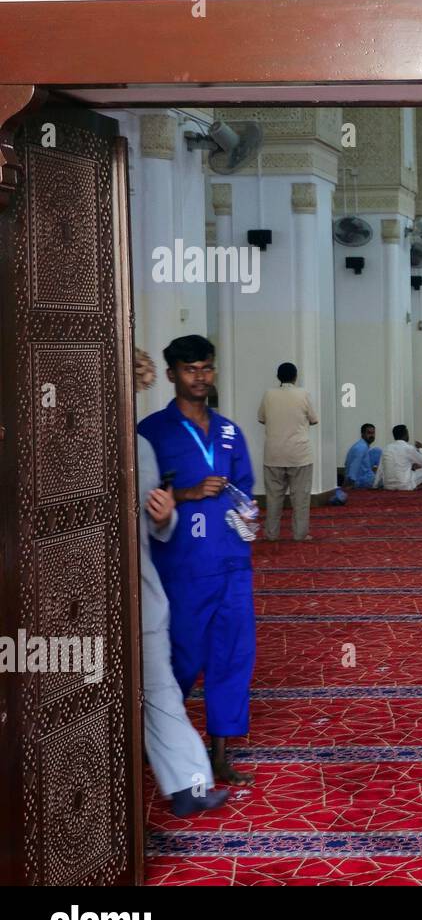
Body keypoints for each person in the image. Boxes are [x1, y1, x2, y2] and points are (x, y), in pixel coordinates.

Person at [138, 334, 256, 786]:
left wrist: (248, 511)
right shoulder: (152, 432)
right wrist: (186, 493)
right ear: (171, 375)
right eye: (190, 369)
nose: (200, 377)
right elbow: (142, 496)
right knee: (179, 659)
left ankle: (220, 754)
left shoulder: (229, 431)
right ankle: (161, 740)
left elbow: (243, 484)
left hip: (232, 562)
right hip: (182, 565)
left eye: (206, 368)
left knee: (233, 656)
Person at [134, 349, 229, 817]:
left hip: (141, 594)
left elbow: (159, 526)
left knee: (162, 691)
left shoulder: (138, 448)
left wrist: (167, 515)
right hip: (73, 603)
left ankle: (190, 787)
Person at [257, 361, 319, 542]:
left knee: (273, 498)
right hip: (300, 455)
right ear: (295, 377)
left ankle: (271, 534)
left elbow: (261, 418)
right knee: (300, 499)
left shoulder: (268, 394)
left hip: (273, 454)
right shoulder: (303, 394)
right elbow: (314, 420)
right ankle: (300, 534)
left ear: (278, 377)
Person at [379, 424, 422, 490]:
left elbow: (380, 469)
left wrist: (375, 486)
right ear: (405, 434)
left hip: (388, 486)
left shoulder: (386, 448)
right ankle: (412, 485)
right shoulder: (408, 447)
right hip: (404, 485)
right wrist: (421, 449)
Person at [344, 423, 382, 489]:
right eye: (369, 433)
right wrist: (350, 484)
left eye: (373, 433)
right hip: (359, 481)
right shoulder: (361, 447)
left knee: (377, 451)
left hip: (363, 477)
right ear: (362, 434)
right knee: (387, 481)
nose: (372, 435)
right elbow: (354, 466)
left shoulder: (364, 446)